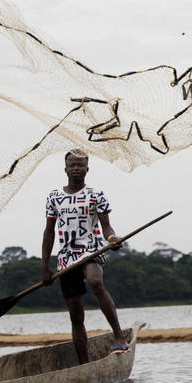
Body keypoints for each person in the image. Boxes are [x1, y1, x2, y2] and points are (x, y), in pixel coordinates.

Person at [41, 149, 126, 363]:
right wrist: (45, 266)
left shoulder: (96, 195)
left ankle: (118, 335)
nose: (76, 168)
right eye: (72, 165)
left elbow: (106, 227)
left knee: (95, 281)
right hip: (66, 258)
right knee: (76, 315)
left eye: (80, 165)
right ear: (66, 168)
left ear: (87, 169)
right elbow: (49, 232)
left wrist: (112, 239)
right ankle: (84, 364)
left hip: (91, 250)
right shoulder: (54, 197)